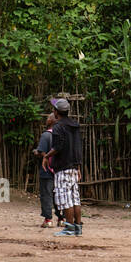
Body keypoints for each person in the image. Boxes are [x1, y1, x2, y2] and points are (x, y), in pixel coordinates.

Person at [45, 98, 83, 237]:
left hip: (63, 166)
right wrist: (78, 166)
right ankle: (78, 227)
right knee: (75, 198)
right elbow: (78, 147)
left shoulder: (58, 126)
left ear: (56, 112)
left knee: (65, 197)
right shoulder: (75, 125)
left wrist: (46, 156)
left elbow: (58, 146)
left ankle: (69, 227)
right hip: (73, 166)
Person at [35, 112, 58, 228]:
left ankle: (48, 219)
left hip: (47, 170)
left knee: (46, 194)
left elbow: (42, 152)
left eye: (48, 118)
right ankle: (62, 218)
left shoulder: (46, 135)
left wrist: (36, 152)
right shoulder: (61, 135)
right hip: (59, 170)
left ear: (51, 121)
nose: (47, 119)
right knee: (59, 194)